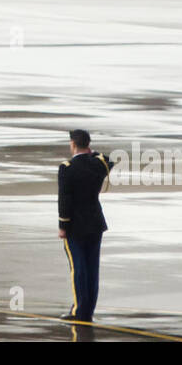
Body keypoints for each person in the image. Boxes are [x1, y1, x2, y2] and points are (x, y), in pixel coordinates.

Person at [57, 129, 112, 323]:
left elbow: (64, 199)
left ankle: (79, 310)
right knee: (91, 268)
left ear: (73, 144)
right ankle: (88, 309)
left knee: (78, 268)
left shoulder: (67, 168)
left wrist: (62, 225)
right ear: (88, 145)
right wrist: (91, 152)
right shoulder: (98, 164)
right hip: (95, 222)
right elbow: (107, 159)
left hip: (75, 225)